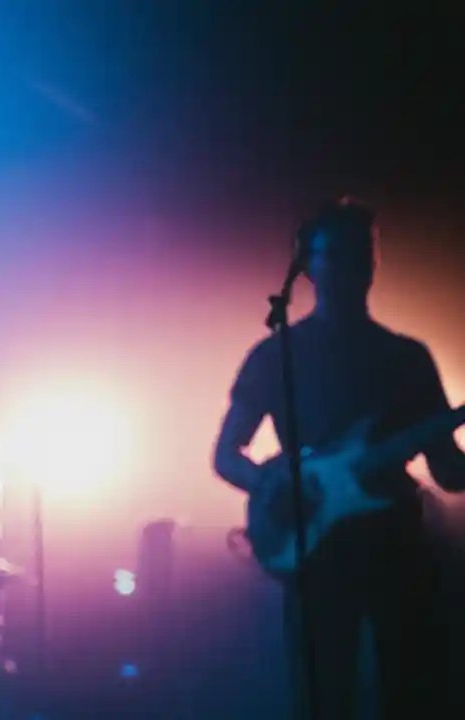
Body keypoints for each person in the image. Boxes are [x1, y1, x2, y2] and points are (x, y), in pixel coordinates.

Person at [213, 199, 465, 719]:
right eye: (341, 254)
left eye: (362, 255)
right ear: (310, 265)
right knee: (325, 694)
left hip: (395, 541)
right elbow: (226, 454)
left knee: (414, 690)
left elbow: (448, 471)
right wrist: (275, 488)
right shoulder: (277, 353)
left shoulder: (407, 358)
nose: (354, 267)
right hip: (316, 551)